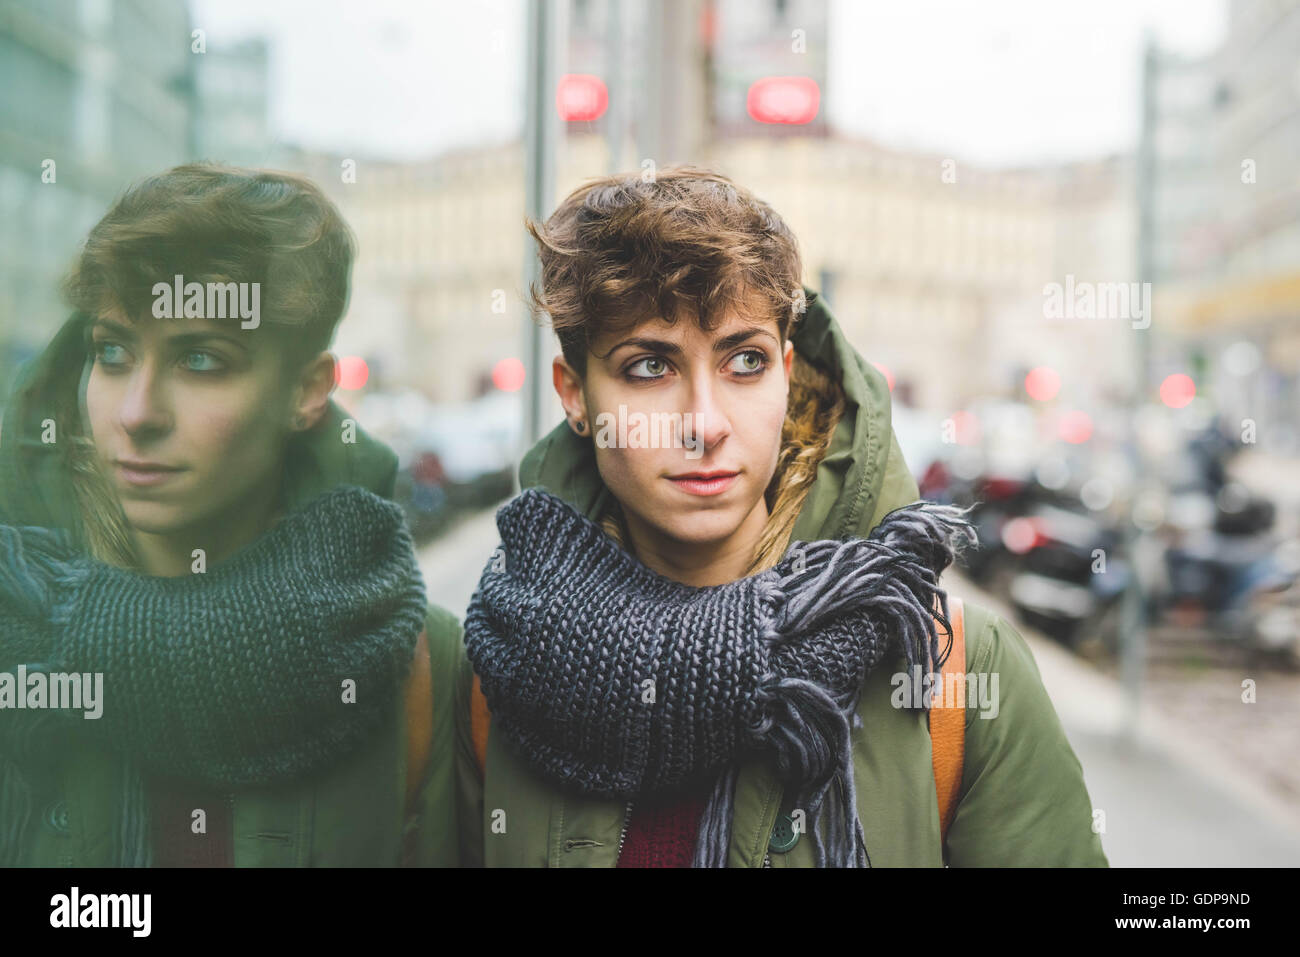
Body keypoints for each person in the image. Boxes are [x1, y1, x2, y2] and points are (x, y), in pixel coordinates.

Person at [444, 165, 1109, 867]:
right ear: (574, 394)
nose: (704, 424)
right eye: (649, 367)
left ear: (788, 373)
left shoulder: (952, 672)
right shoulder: (499, 674)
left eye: (745, 361)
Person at [0, 163, 467, 867]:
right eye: (114, 352)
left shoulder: (410, 661)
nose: (137, 413)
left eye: (200, 360)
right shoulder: (18, 616)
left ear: (306, 391)